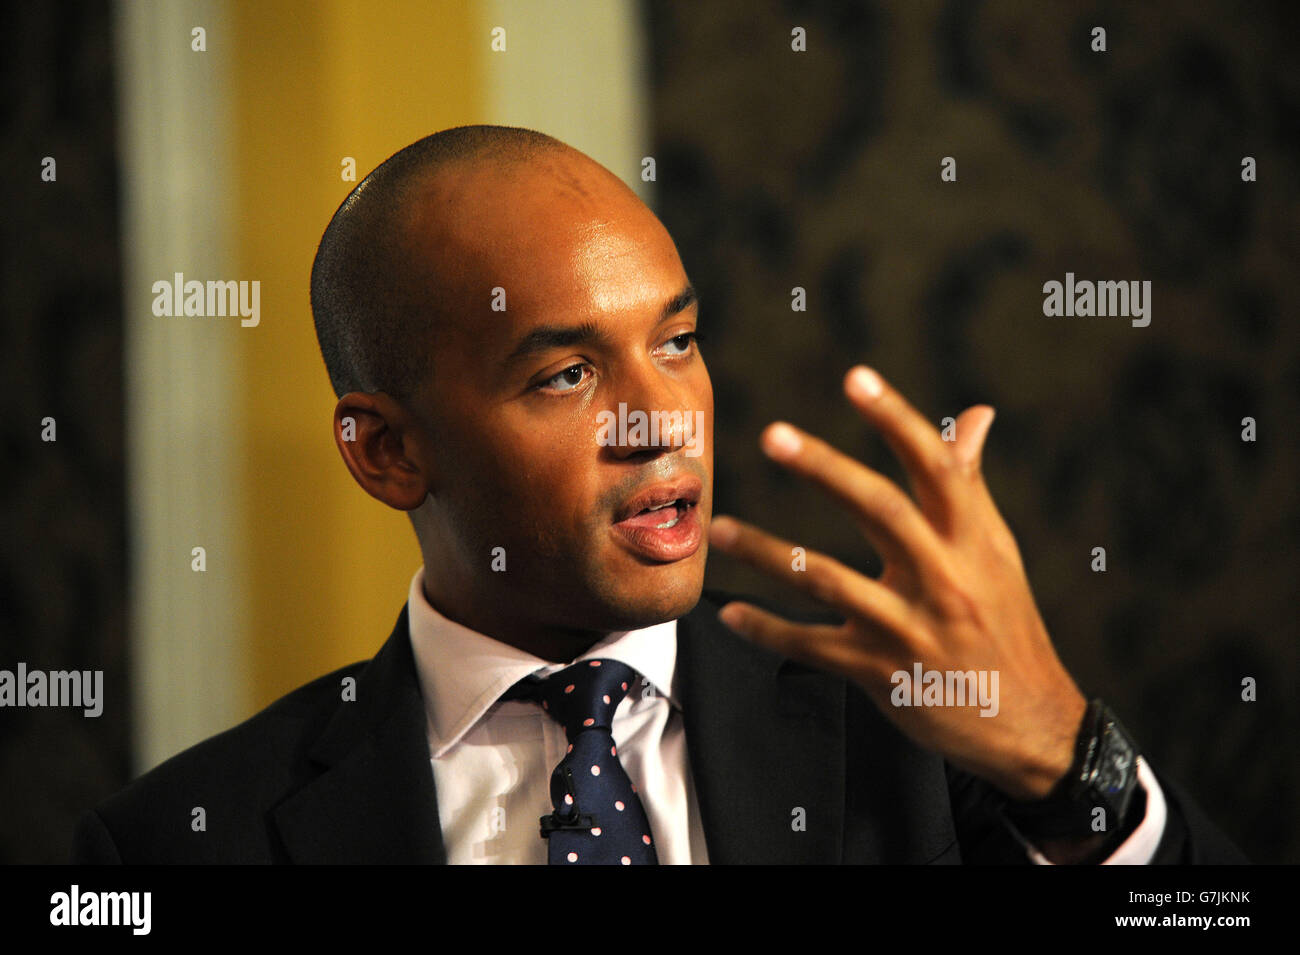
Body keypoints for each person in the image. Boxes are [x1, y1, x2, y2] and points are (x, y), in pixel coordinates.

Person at [72, 124, 1246, 864]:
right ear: (386, 453)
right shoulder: (180, 839)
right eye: (567, 372)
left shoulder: (908, 743)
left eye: (678, 341)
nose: (660, 419)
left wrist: (1062, 753)